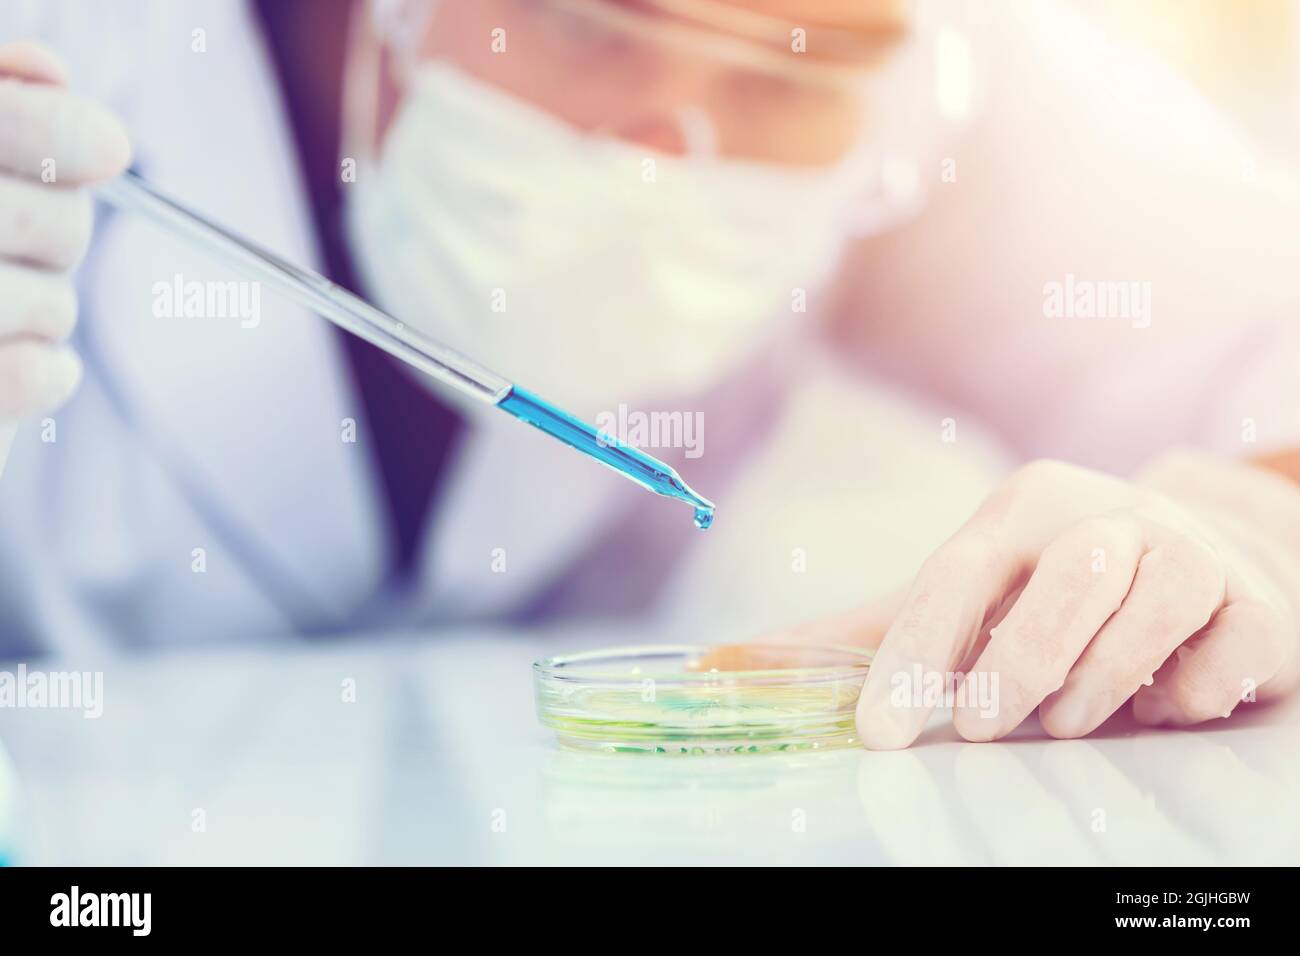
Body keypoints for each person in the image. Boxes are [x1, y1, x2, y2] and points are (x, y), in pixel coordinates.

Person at [0, 0, 1297, 750]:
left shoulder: (927, 60)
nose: (662, 157)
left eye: (785, 73)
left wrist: (1261, 520)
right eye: (590, 23)